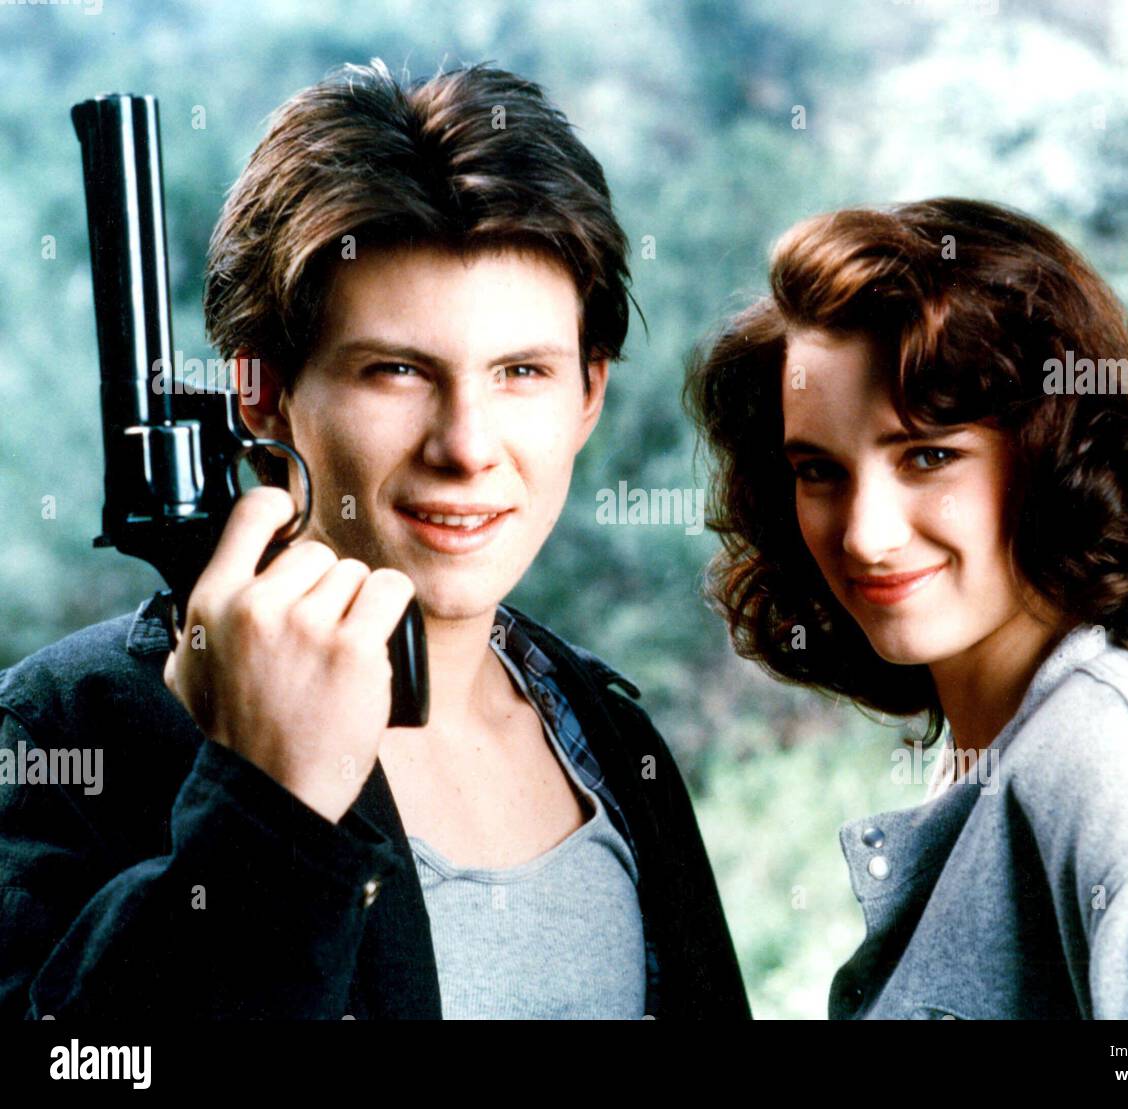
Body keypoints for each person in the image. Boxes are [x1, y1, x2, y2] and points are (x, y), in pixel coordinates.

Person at [0, 60, 748, 1020]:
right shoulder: (66, 734)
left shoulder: (610, 738)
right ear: (261, 392)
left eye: (522, 371)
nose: (468, 447)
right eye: (395, 370)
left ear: (589, 395)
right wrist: (267, 807)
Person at [685, 197, 1128, 1019]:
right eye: (819, 470)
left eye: (929, 455)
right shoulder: (996, 751)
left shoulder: (1111, 755)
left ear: (1055, 454)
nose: (867, 535)